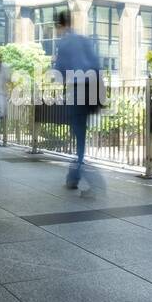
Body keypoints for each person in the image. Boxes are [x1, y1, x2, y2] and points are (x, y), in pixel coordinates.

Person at [52, 11, 105, 195]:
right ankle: (74, 175)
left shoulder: (64, 43)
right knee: (81, 137)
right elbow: (97, 65)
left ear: (60, 26)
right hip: (92, 91)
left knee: (79, 137)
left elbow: (59, 74)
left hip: (77, 91)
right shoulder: (85, 40)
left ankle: (78, 176)